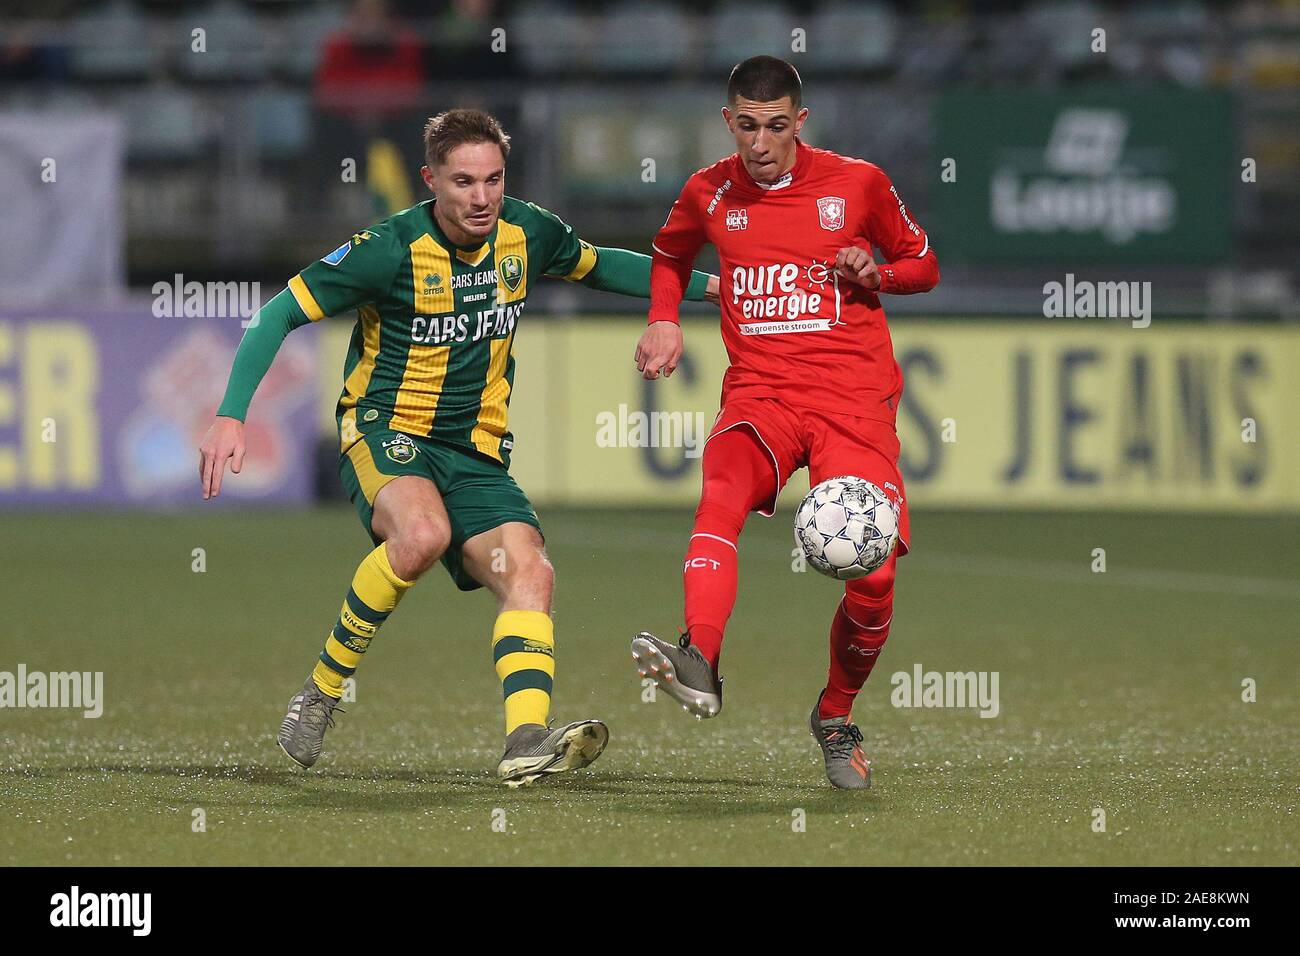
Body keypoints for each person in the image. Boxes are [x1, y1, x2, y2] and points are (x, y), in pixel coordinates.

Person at [199, 108, 719, 786]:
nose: (481, 198)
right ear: (430, 180)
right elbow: (279, 312)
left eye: (493, 180)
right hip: (387, 432)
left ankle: (525, 740)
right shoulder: (386, 249)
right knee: (420, 534)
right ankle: (323, 689)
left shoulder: (526, 232)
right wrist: (231, 414)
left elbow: (601, 265)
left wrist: (714, 290)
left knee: (531, 572)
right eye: (464, 182)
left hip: (475, 452)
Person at [631, 56, 939, 790]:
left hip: (852, 402)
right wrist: (663, 320)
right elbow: (670, 255)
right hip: (761, 394)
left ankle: (835, 715)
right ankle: (699, 656)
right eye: (747, 125)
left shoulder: (856, 184)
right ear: (727, 121)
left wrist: (878, 274)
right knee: (720, 501)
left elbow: (923, 264)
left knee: (876, 576)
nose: (761, 142)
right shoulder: (706, 191)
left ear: (800, 122)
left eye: (776, 126)